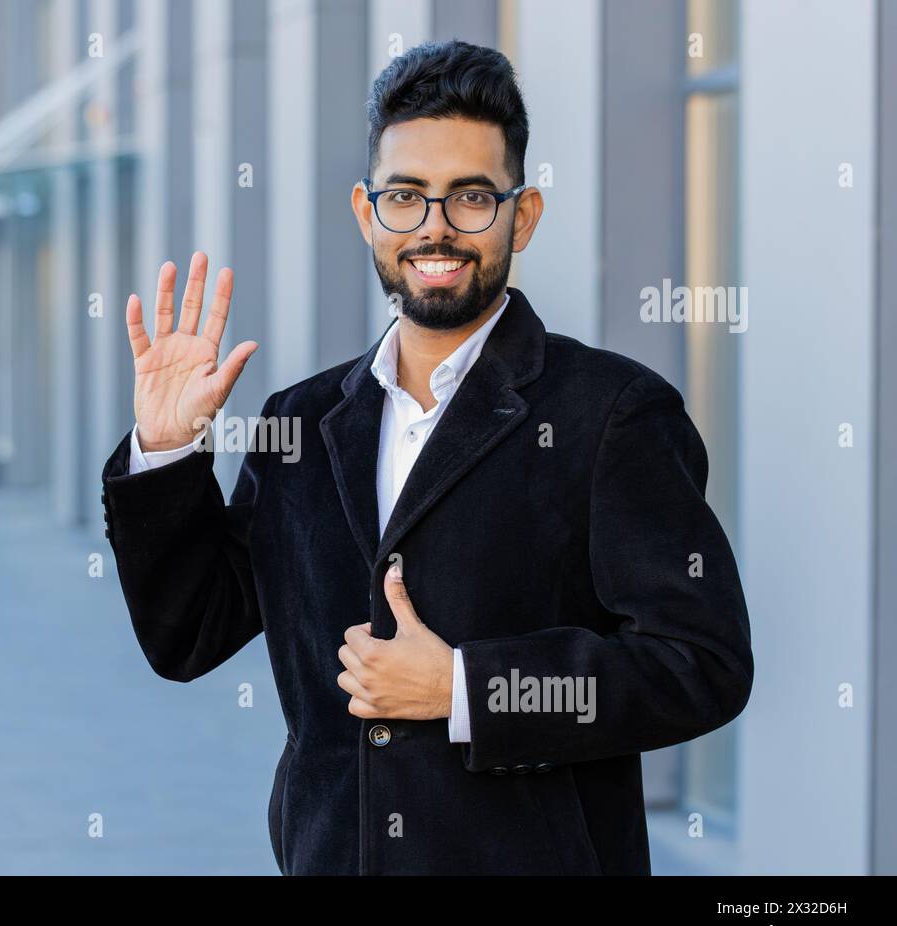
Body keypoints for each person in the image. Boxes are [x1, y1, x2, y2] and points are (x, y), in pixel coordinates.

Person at [100, 39, 752, 875]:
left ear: (523, 215)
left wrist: (465, 689)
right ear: (368, 213)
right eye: (406, 196)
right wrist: (167, 449)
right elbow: (187, 635)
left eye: (471, 197)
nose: (435, 227)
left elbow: (701, 664)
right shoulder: (300, 421)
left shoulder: (613, 414)